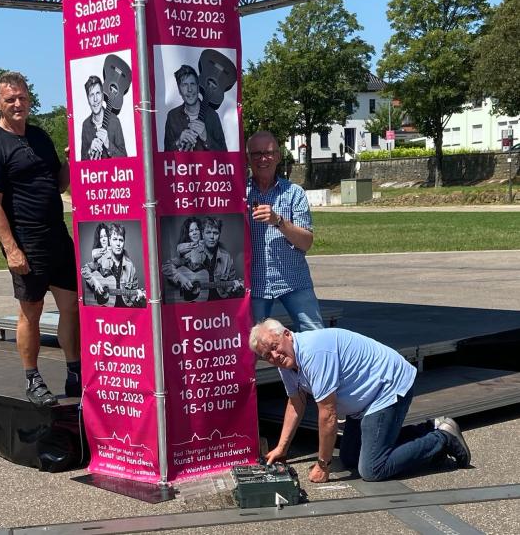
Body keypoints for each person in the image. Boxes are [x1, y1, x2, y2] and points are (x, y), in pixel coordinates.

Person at [250, 320, 471, 483]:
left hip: (388, 388)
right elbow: (295, 402)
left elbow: (328, 415)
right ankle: (429, 427)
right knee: (349, 458)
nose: (274, 356)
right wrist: (281, 447)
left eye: (274, 346)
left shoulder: (313, 353)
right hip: (365, 400)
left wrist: (323, 465)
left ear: (287, 334)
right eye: (267, 355)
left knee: (372, 469)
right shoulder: (288, 363)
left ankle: (442, 438)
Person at [0, 71, 80, 407]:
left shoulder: (38, 137)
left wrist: (71, 159)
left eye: (22, 97)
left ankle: (74, 371)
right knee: (30, 314)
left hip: (57, 237)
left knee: (71, 308)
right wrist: (12, 250)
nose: (18, 104)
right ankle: (32, 378)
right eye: (10, 99)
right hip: (27, 243)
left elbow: (59, 184)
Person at [247, 131, 323, 332]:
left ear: (279, 156)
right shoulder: (239, 194)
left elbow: (306, 242)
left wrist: (278, 220)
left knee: (316, 336)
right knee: (251, 346)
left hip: (294, 279)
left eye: (269, 153)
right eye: (256, 154)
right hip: (255, 283)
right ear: (248, 157)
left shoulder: (294, 192)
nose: (263, 159)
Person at [164, 217, 244, 301]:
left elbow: (229, 290)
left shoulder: (227, 258)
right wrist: (181, 278)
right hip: (196, 306)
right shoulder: (191, 252)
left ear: (220, 234)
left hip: (219, 304)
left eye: (215, 233)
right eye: (208, 232)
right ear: (202, 233)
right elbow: (166, 266)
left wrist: (235, 289)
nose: (212, 237)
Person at [164, 64, 227, 152]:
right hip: (182, 166)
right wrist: (178, 142)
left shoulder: (212, 116)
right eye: (184, 85)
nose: (189, 89)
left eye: (192, 84)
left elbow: (225, 156)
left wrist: (206, 137)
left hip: (207, 166)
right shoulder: (172, 116)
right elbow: (164, 158)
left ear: (198, 87)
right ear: (179, 90)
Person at [82, 223, 146, 308]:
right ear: (110, 240)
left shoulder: (130, 267)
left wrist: (138, 297)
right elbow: (84, 269)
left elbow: (133, 298)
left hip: (125, 311)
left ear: (124, 241)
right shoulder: (102, 259)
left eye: (121, 240)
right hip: (105, 311)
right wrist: (95, 282)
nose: (118, 244)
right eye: (115, 239)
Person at [80, 75, 127, 160]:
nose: (95, 99)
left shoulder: (114, 121)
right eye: (91, 95)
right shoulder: (85, 125)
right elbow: (82, 164)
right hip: (95, 173)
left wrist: (108, 144)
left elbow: (124, 158)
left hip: (114, 172)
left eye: (98, 93)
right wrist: (90, 151)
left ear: (102, 95)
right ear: (88, 99)